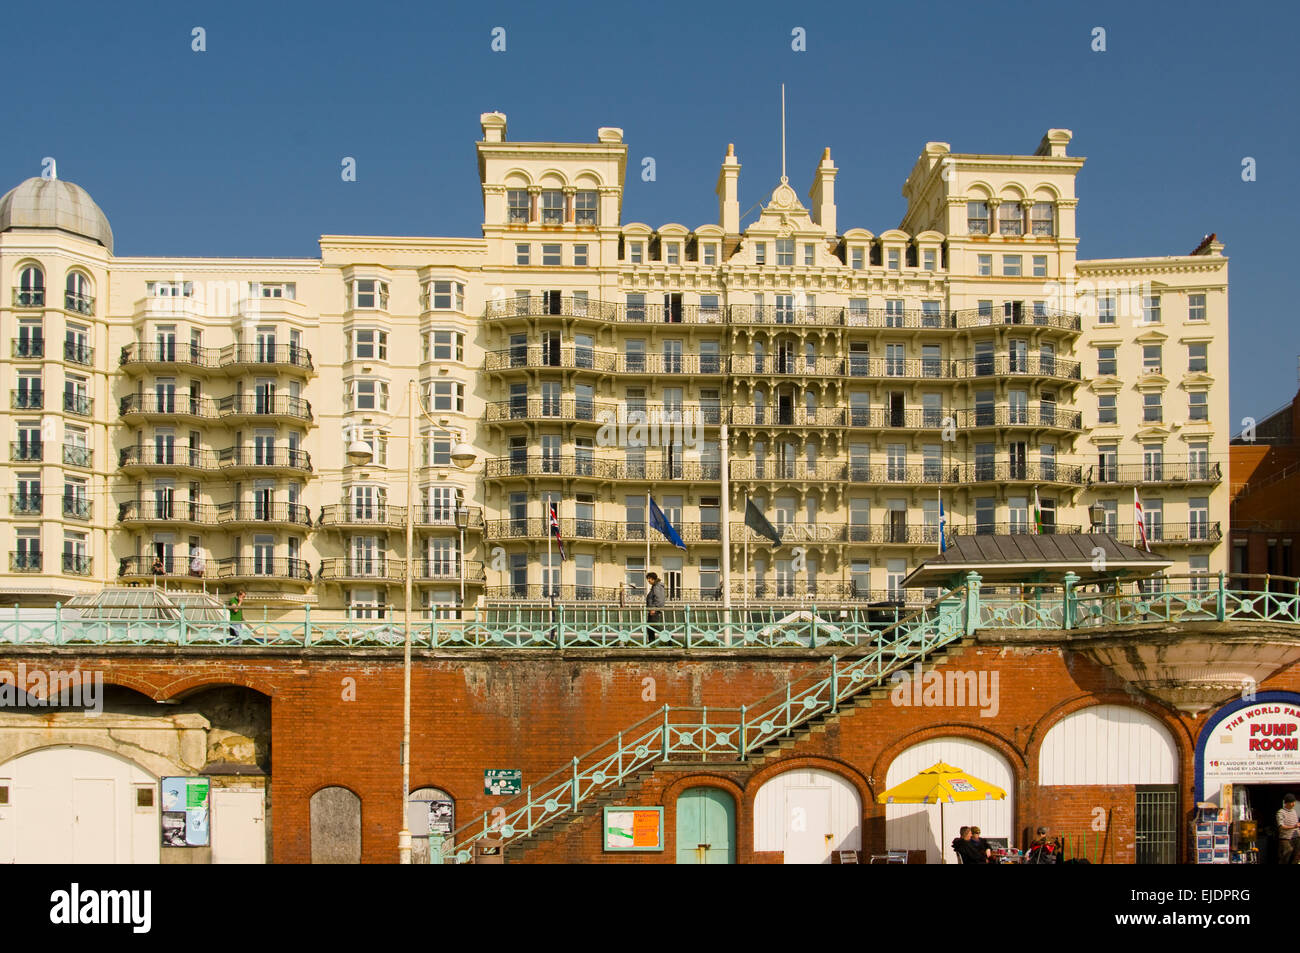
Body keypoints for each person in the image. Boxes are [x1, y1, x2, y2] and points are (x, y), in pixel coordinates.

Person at [1277, 794, 1299, 864]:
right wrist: (1294, 826)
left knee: (1297, 854)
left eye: (1294, 802)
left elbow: (1296, 824)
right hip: (1286, 838)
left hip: (1296, 837)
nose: (1293, 804)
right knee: (1288, 851)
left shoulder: (1294, 811)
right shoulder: (1280, 812)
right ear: (1286, 803)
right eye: (1291, 802)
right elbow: (1281, 827)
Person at [645, 572, 665, 638]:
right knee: (650, 627)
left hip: (654, 610)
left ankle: (668, 637)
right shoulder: (655, 586)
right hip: (652, 610)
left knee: (653, 626)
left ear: (653, 578)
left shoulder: (657, 586)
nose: (648, 580)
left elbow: (659, 599)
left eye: (649, 578)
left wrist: (654, 608)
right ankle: (651, 643)